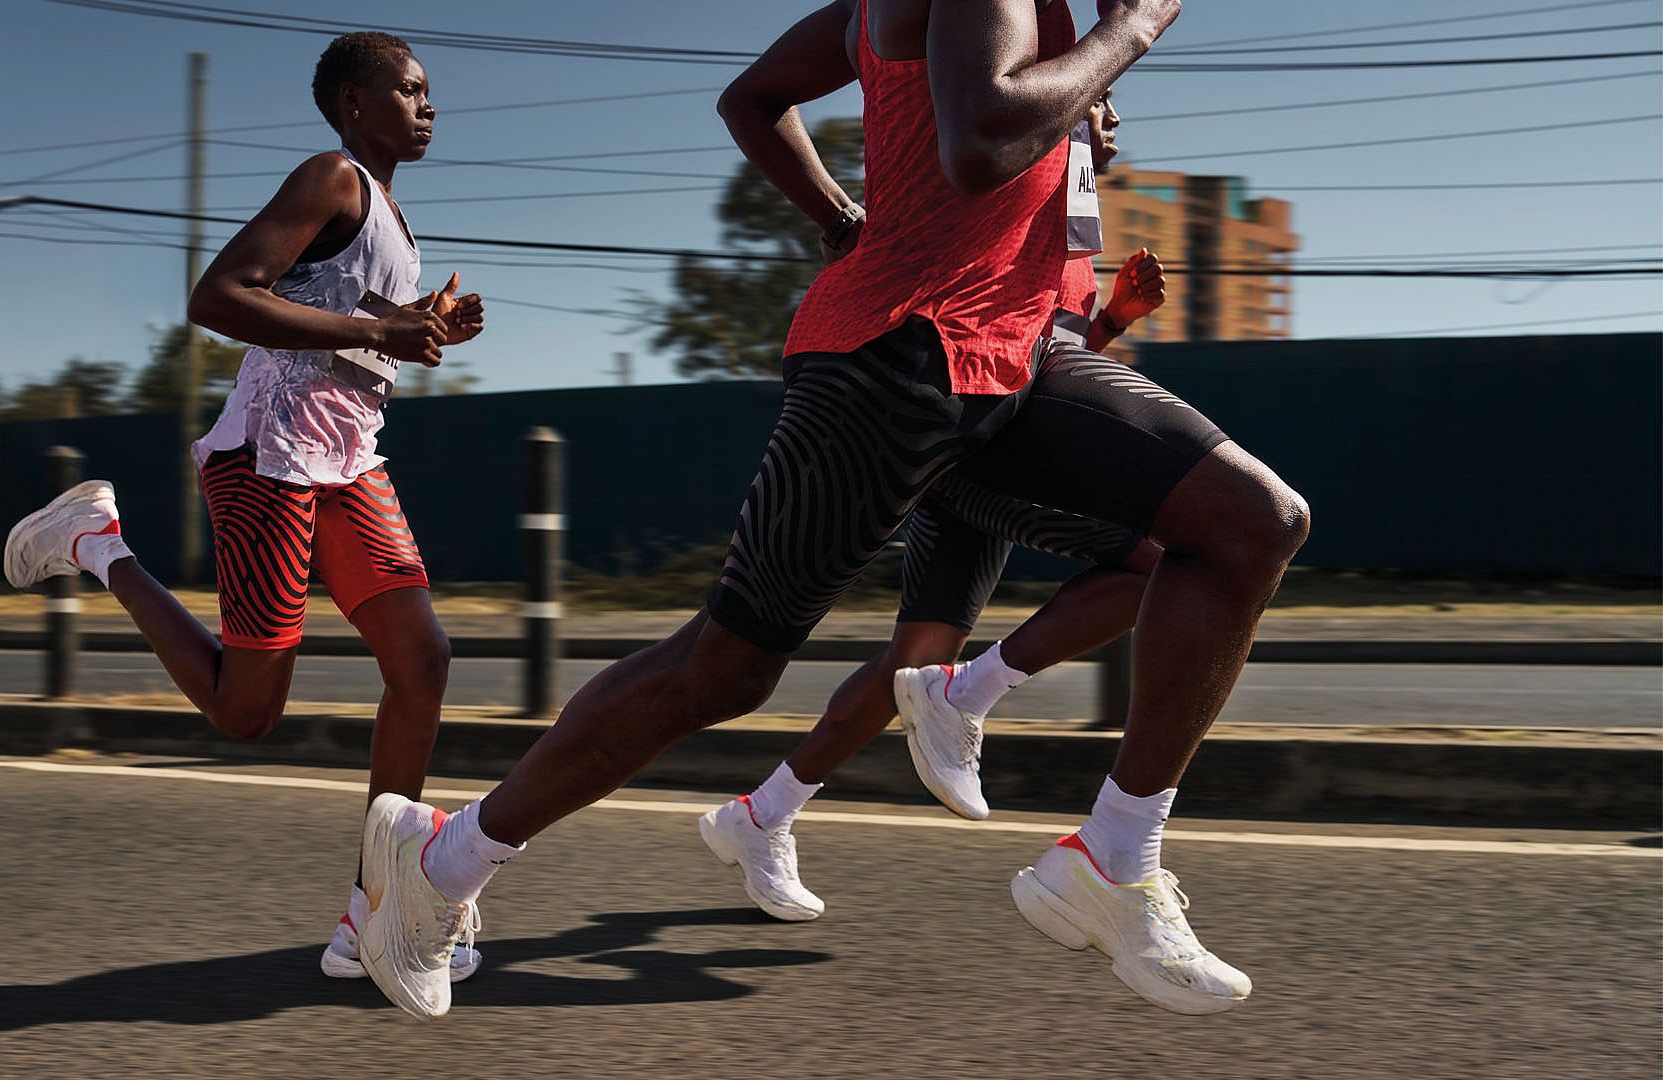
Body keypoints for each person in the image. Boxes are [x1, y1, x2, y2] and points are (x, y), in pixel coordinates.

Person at [365, 0, 1306, 1021]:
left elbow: (773, 100)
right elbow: (982, 138)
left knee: (1248, 521)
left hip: (1022, 352)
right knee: (722, 670)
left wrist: (1070, 119)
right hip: (899, 360)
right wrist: (1128, 33)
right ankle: (441, 863)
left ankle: (1116, 855)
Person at [0, 32, 489, 985]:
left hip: (346, 458)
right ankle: (100, 544)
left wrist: (423, 324)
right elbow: (219, 295)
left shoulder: (389, 212)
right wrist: (377, 324)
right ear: (353, 101)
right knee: (246, 713)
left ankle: (374, 915)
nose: (431, 107)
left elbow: (354, 333)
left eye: (430, 94)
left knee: (421, 661)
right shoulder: (333, 177)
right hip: (268, 454)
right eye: (411, 90)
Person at [698, 85, 1170, 923]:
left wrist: (1112, 321)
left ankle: (760, 815)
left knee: (908, 671)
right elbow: (976, 287)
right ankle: (972, 692)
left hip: (1000, 407)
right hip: (955, 402)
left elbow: (1043, 332)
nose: (1112, 121)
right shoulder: (1016, 158)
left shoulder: (1076, 202)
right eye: (1103, 105)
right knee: (1165, 564)